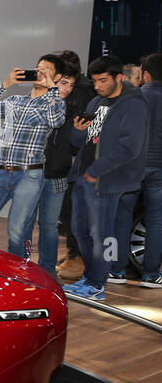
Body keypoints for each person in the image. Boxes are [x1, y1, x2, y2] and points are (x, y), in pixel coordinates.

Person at [64, 55, 149, 301]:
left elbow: (129, 148)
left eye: (103, 80)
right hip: (83, 176)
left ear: (119, 77)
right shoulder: (95, 102)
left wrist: (95, 171)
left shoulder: (133, 104)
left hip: (107, 179)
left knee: (101, 233)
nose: (98, 86)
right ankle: (90, 278)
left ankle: (98, 284)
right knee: (80, 230)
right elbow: (81, 143)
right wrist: (79, 133)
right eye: (94, 81)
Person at [0, 55, 66, 258]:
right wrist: (5, 85)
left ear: (57, 77)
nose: (39, 72)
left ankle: (17, 277)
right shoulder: (15, 100)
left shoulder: (54, 103)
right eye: (38, 68)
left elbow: (56, 121)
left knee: (16, 234)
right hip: (0, 173)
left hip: (29, 176)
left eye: (46, 70)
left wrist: (51, 89)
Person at [35, 67, 92, 278]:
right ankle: (28, 266)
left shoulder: (74, 107)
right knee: (27, 223)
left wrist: (78, 135)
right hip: (34, 171)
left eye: (70, 84)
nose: (66, 88)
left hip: (60, 174)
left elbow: (77, 145)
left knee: (53, 224)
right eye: (63, 83)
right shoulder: (38, 102)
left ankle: (50, 268)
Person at [119, 52, 162, 287]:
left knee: (122, 216)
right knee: (156, 220)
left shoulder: (132, 98)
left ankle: (115, 271)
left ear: (145, 74)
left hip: (131, 166)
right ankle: (150, 274)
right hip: (160, 168)